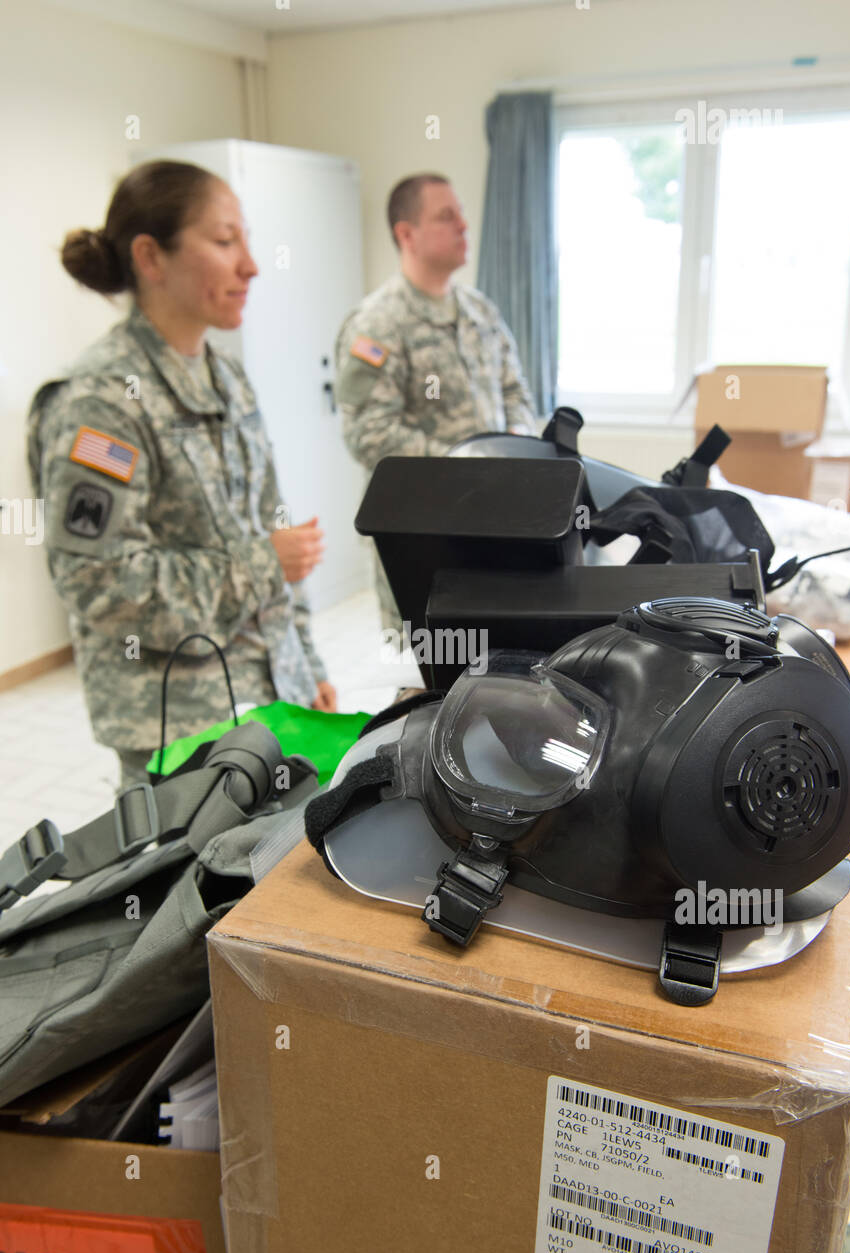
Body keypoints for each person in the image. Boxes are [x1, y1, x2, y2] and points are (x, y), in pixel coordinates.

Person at [28, 160, 336, 788]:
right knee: (194, 888)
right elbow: (98, 580)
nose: (250, 264)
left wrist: (305, 665)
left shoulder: (227, 376)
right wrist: (260, 563)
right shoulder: (105, 401)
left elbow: (276, 532)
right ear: (151, 257)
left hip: (267, 700)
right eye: (225, 242)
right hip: (179, 731)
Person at [334, 173, 538, 630]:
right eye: (446, 216)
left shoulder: (480, 311)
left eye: (462, 214)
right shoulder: (377, 324)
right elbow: (368, 433)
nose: (464, 226)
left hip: (498, 524)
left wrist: (518, 444)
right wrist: (466, 468)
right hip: (423, 537)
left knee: (499, 663)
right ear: (406, 234)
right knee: (428, 672)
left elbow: (516, 391)